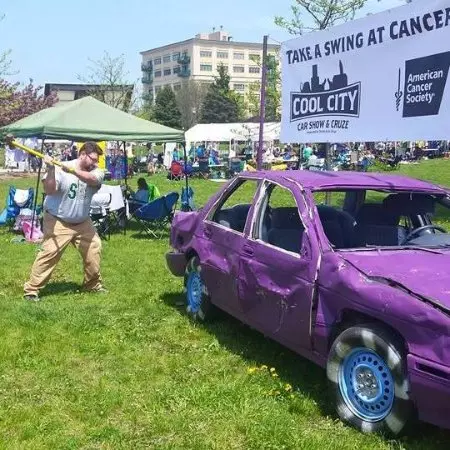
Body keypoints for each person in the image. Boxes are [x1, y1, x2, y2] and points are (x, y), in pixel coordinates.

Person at [23, 141, 106, 301]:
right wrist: (51, 169)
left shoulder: (96, 171)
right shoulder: (61, 168)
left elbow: (92, 180)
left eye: (96, 160)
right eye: (93, 159)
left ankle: (92, 285)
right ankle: (32, 289)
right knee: (49, 253)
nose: (95, 163)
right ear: (82, 155)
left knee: (93, 250)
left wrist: (74, 171)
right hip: (58, 220)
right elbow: (49, 190)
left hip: (82, 221)